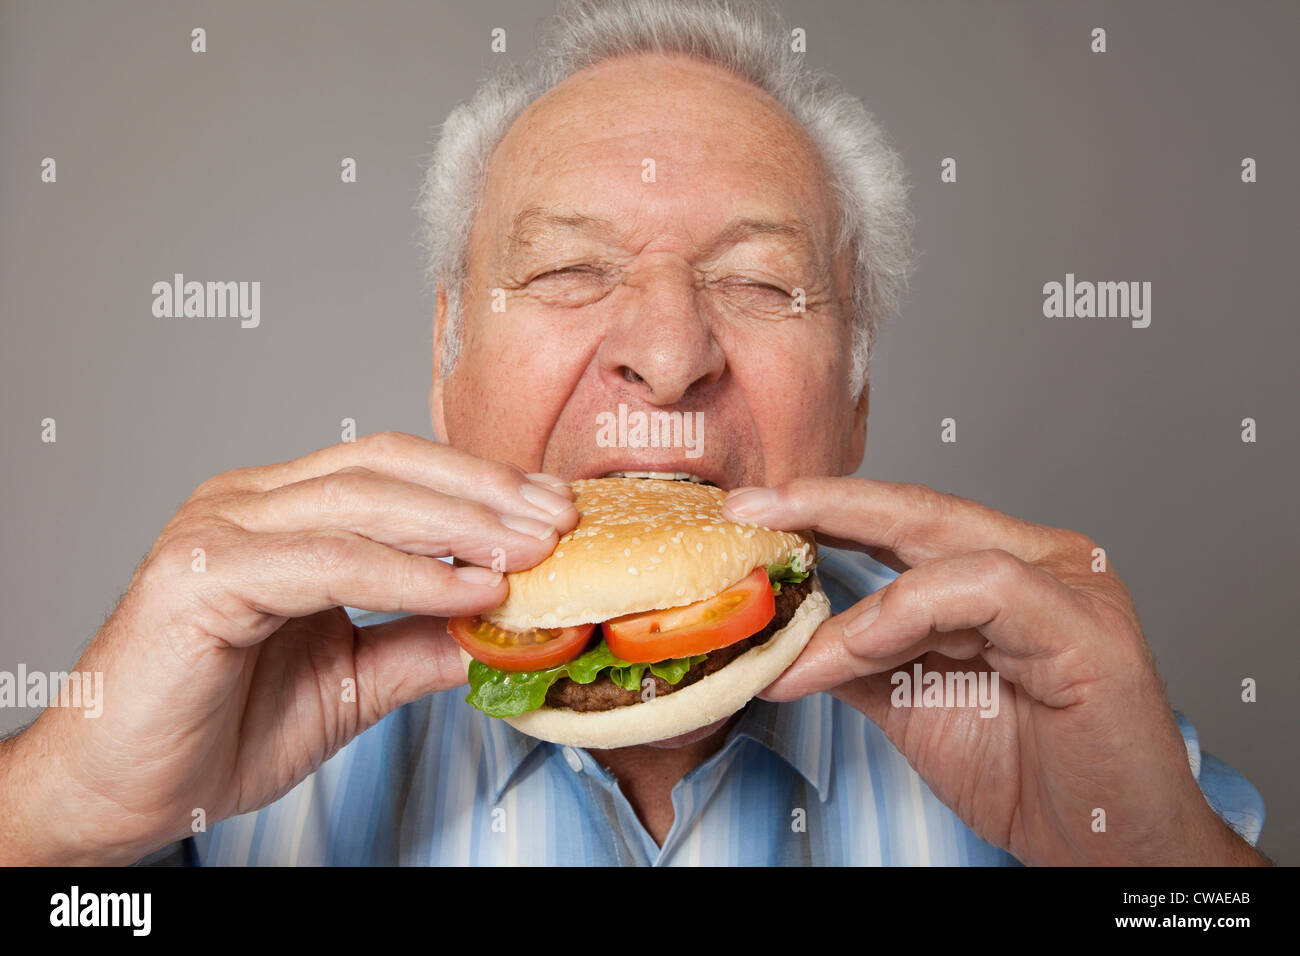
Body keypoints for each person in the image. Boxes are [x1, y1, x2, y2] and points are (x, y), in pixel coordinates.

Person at [0, 0, 1266, 866]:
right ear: (449, 367)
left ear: (859, 393)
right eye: (564, 271)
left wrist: (1154, 870)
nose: (666, 351)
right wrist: (52, 814)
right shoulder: (235, 740)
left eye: (762, 283)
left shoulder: (1043, 712)